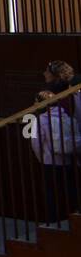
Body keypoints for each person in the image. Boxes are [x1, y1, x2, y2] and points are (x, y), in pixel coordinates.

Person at [31, 91, 79, 222]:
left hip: (49, 162)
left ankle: (53, 221)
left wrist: (42, 158)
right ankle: (71, 219)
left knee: (51, 194)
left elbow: (36, 143)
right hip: (68, 160)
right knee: (68, 192)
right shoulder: (67, 117)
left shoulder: (41, 119)